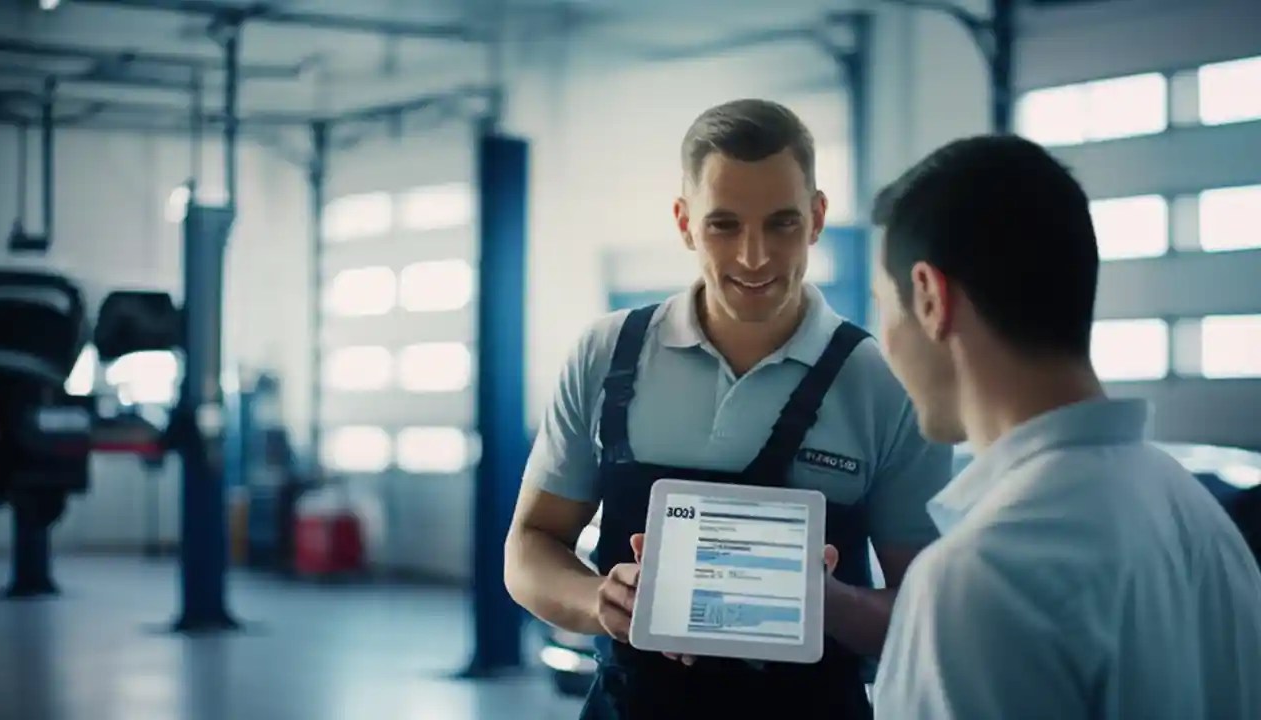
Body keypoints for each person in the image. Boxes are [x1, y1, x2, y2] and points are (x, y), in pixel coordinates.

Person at [503, 98, 953, 720]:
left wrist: (829, 604)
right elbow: (528, 546)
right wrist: (598, 600)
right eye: (724, 225)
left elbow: (929, 614)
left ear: (817, 217)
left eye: (781, 223)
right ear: (684, 222)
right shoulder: (606, 355)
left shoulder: (883, 382)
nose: (753, 257)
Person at [867, 134, 1261, 719]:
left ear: (929, 297)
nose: (885, 342)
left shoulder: (977, 577)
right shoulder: (1200, 520)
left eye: (884, 306)